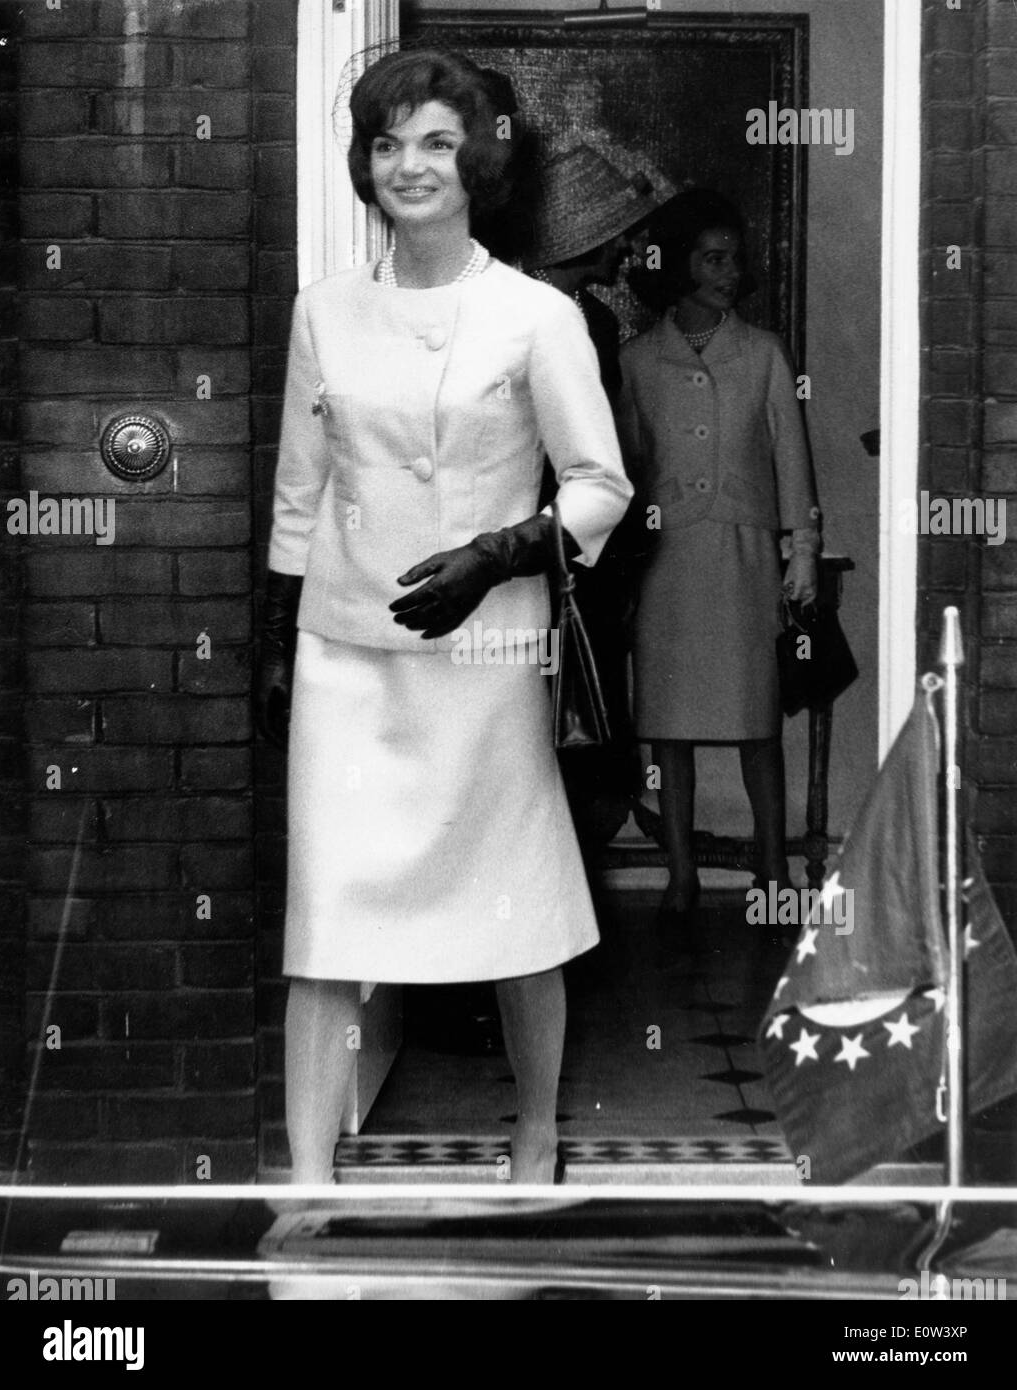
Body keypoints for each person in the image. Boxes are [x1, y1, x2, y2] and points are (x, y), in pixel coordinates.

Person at [255, 49, 632, 1185]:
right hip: (346, 662)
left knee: (516, 917)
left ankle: (536, 1130)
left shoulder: (537, 314)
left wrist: (499, 553)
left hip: (489, 656)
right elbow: (296, 489)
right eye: (385, 143)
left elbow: (601, 483)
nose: (408, 166)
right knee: (326, 927)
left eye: (433, 142)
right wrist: (278, 649)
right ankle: (311, 1180)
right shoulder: (323, 312)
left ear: (479, 161)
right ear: (363, 166)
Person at [618, 189, 820, 927]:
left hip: (743, 556)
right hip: (666, 559)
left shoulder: (765, 353)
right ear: (678, 266)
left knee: (756, 722)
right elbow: (625, 471)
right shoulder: (637, 361)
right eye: (712, 259)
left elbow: (793, 461)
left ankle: (771, 867)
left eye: (734, 260)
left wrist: (801, 551)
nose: (727, 273)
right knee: (668, 727)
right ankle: (679, 875)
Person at [523, 144, 678, 856]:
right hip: (524, 559)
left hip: (585, 560)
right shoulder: (517, 317)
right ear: (584, 234)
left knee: (589, 734)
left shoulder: (598, 323)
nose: (630, 249)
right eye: (621, 233)